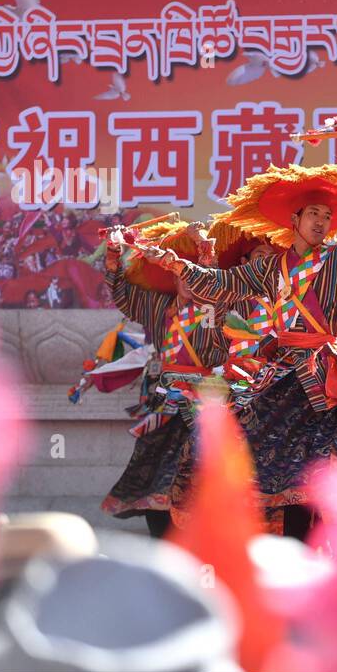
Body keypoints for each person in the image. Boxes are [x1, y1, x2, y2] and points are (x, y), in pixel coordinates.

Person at [148, 160, 337, 538]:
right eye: (313, 213)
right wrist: (179, 266)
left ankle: (321, 548)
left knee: (326, 469)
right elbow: (221, 283)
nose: (321, 221)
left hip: (323, 378)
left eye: (327, 215)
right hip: (277, 373)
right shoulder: (270, 268)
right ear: (294, 220)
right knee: (229, 446)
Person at [101, 220, 232, 537]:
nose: (187, 278)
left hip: (206, 404)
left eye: (194, 271)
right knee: (155, 473)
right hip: (164, 402)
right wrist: (114, 252)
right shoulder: (156, 306)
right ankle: (163, 541)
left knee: (203, 474)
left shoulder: (217, 307)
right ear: (172, 274)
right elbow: (120, 292)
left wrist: (202, 244)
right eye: (181, 270)